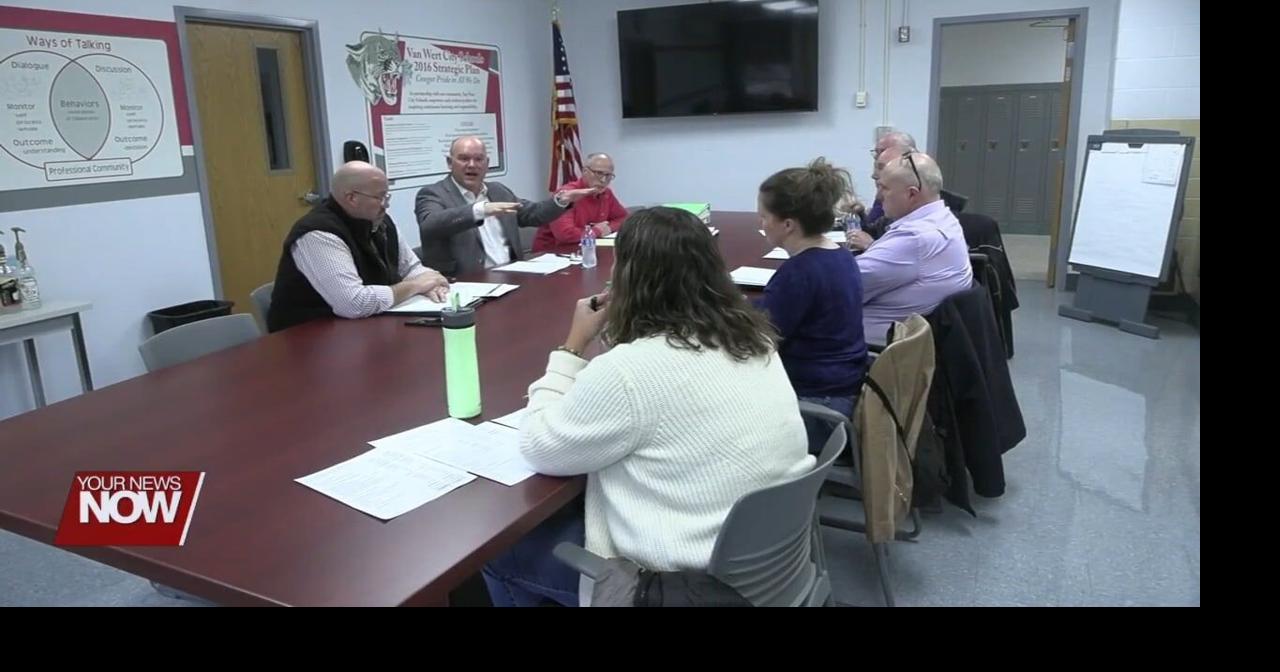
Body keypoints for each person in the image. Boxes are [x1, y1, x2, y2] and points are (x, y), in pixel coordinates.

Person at [482, 207, 815, 607]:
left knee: (499, 554)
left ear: (627, 279)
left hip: (671, 586)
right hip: (766, 565)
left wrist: (571, 347)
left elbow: (540, 445)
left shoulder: (629, 372)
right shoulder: (754, 339)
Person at [756, 158, 869, 450]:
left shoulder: (799, 274)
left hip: (816, 406)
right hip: (843, 388)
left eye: (765, 217)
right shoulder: (840, 255)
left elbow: (759, 338)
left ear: (789, 224)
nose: (762, 224)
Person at [267, 161, 449, 332]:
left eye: (387, 196)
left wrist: (431, 284)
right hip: (307, 339)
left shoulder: (379, 221)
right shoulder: (318, 233)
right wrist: (417, 285)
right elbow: (354, 303)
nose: (387, 204)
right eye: (379, 197)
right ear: (351, 198)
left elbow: (411, 267)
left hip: (363, 328)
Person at [415, 136, 596, 276]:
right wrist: (480, 210)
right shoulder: (432, 194)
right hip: (465, 285)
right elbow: (430, 224)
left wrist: (561, 200)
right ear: (449, 162)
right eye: (464, 159)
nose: (472, 165)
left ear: (487, 163)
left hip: (513, 277)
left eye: (478, 159)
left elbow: (532, 214)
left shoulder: (498, 190)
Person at [859, 152, 973, 343]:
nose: (878, 197)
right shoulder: (945, 219)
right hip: (903, 341)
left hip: (870, 347)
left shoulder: (914, 238)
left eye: (884, 188)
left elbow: (840, 286)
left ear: (912, 193)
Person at [533, 153, 628, 253]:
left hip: (585, 250)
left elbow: (624, 218)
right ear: (585, 171)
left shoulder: (606, 193)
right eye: (599, 173)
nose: (603, 180)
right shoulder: (567, 194)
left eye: (608, 175)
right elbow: (565, 235)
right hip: (551, 254)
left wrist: (608, 227)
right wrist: (597, 231)